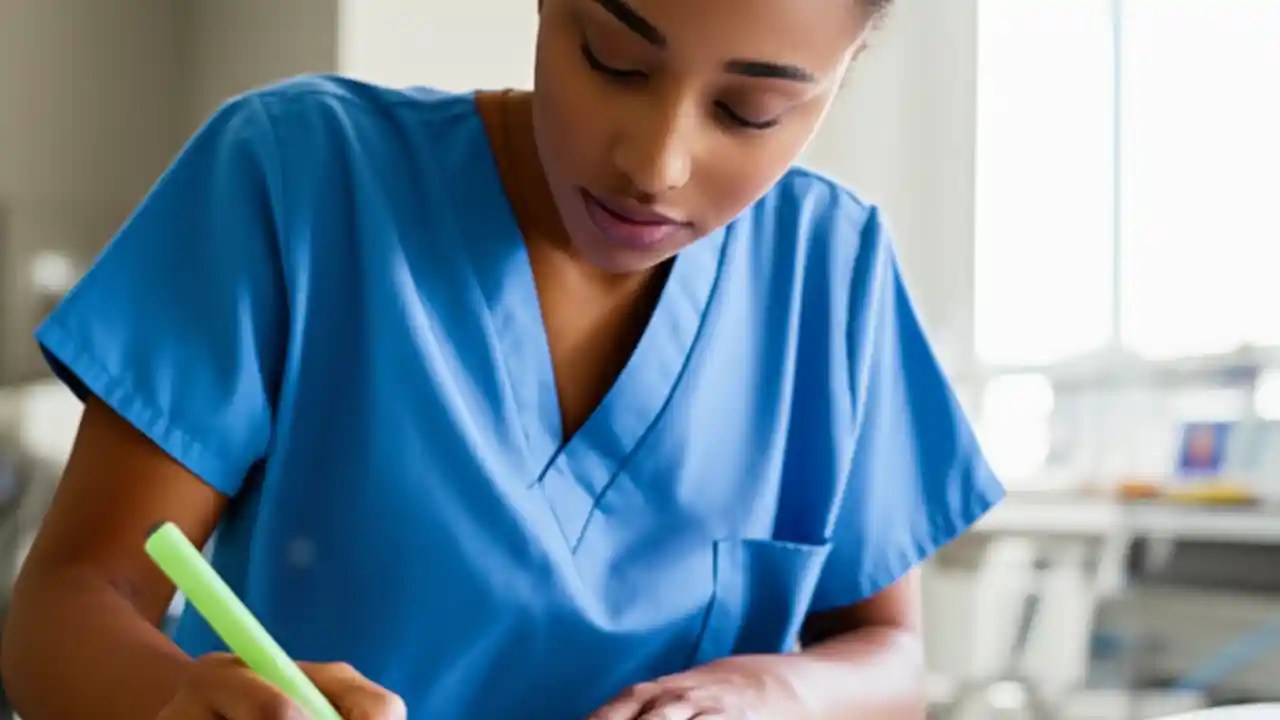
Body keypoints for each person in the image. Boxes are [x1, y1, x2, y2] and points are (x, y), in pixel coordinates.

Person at [0, 0, 1005, 717]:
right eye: (613, 57)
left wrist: (768, 693)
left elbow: (886, 660)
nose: (655, 165)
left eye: (749, 112)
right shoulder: (300, 180)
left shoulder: (828, 270)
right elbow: (70, 604)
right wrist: (182, 699)